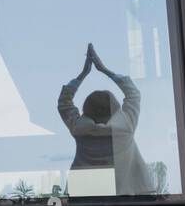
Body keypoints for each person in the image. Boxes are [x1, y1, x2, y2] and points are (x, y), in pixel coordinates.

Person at [58, 43, 155, 197]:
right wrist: (104, 70)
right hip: (125, 196)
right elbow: (133, 94)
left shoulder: (79, 129)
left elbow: (64, 103)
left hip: (84, 196)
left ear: (87, 110)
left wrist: (83, 74)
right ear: (115, 108)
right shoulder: (126, 126)